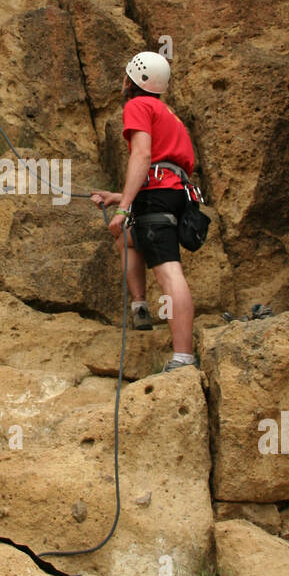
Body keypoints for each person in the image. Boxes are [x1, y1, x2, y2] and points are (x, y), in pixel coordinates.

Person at [92, 51, 198, 371]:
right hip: (173, 192)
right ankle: (140, 306)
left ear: (132, 80)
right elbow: (164, 161)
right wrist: (119, 196)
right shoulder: (168, 112)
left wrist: (124, 208)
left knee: (168, 270)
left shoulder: (137, 105)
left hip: (158, 193)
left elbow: (142, 155)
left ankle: (183, 358)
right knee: (126, 237)